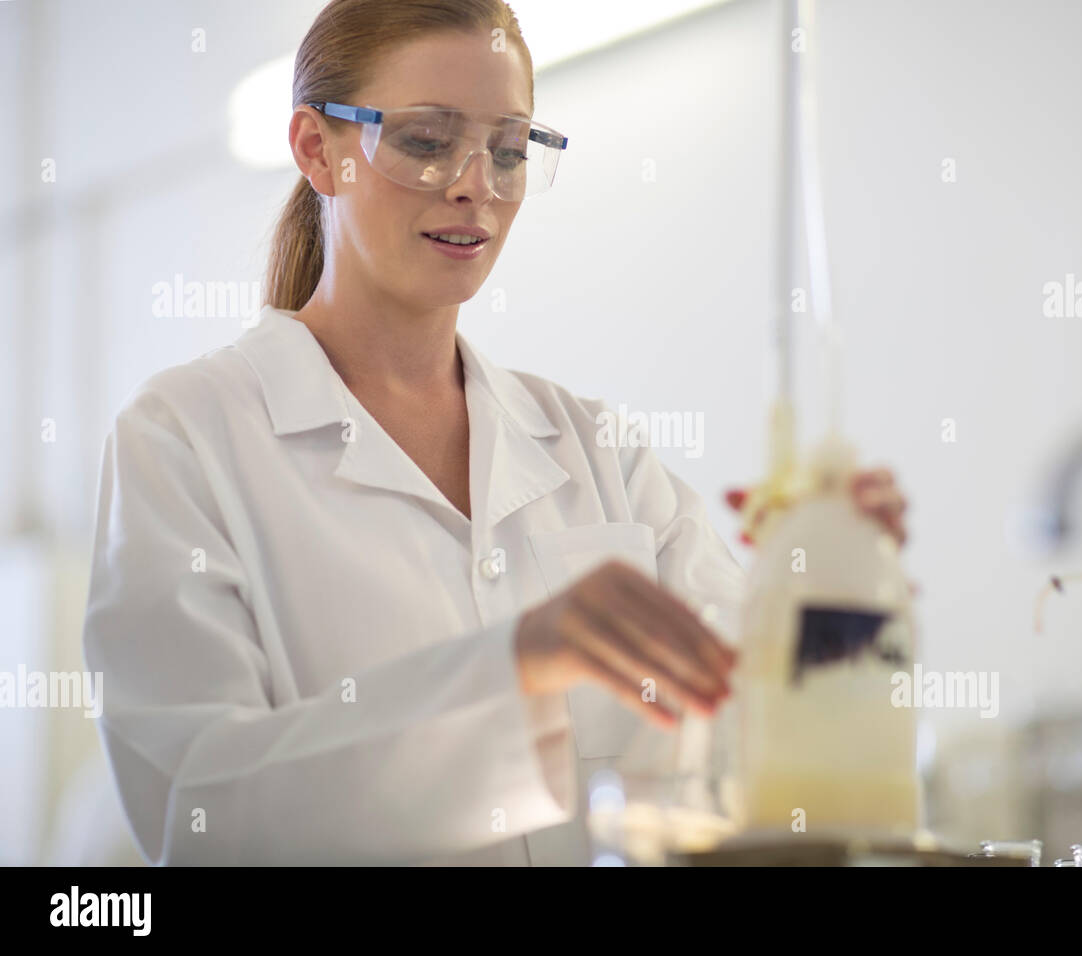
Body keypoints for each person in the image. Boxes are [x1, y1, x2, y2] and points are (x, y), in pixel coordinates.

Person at [81, 0, 908, 865]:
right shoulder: (185, 440)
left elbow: (749, 730)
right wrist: (513, 667)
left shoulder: (598, 453)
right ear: (318, 151)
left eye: (509, 151)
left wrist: (824, 584)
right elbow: (199, 813)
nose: (475, 182)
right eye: (427, 142)